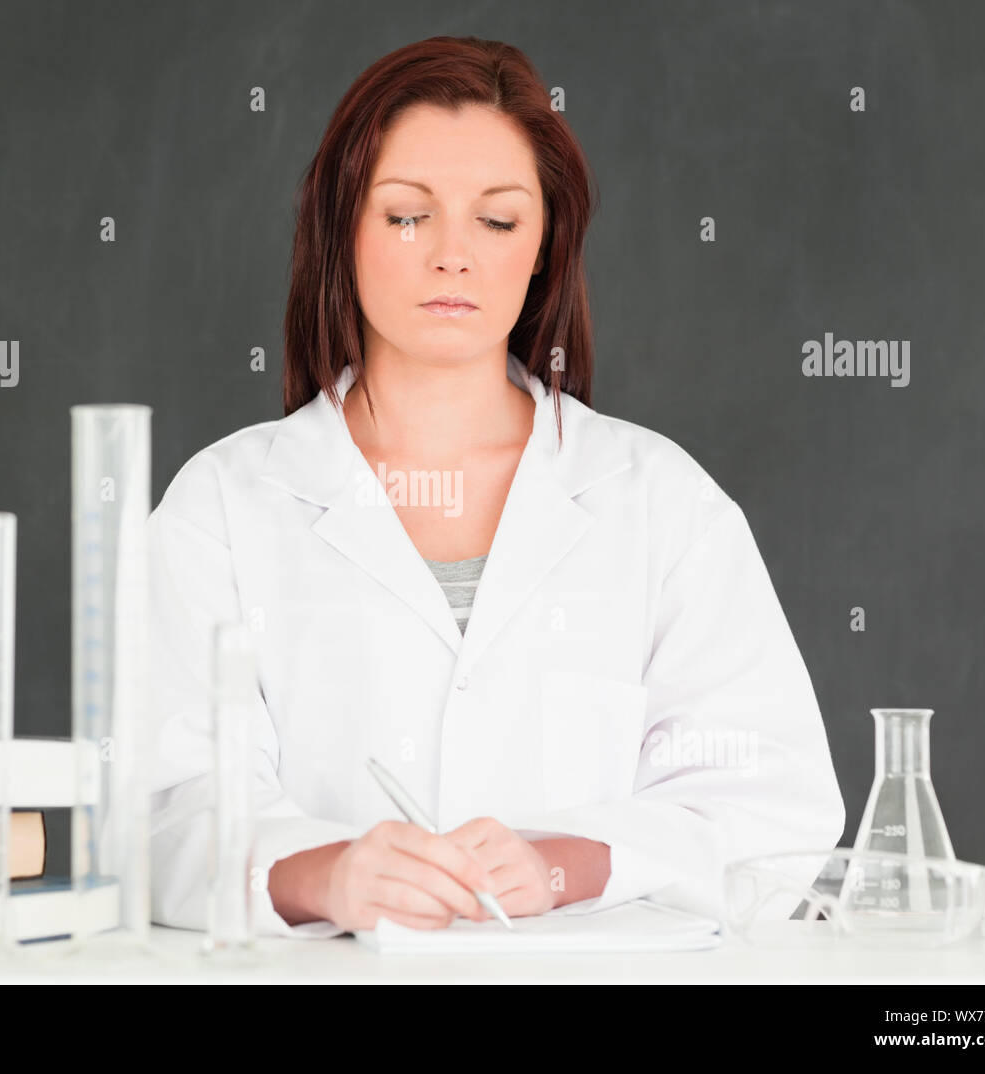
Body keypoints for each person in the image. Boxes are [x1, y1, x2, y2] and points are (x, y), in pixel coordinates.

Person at [147, 35, 845, 938]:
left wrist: (563, 863)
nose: (452, 256)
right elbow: (160, 808)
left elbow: (770, 810)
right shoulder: (224, 507)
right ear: (341, 232)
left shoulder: (661, 503)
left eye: (498, 220)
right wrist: (332, 876)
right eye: (406, 215)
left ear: (544, 248)